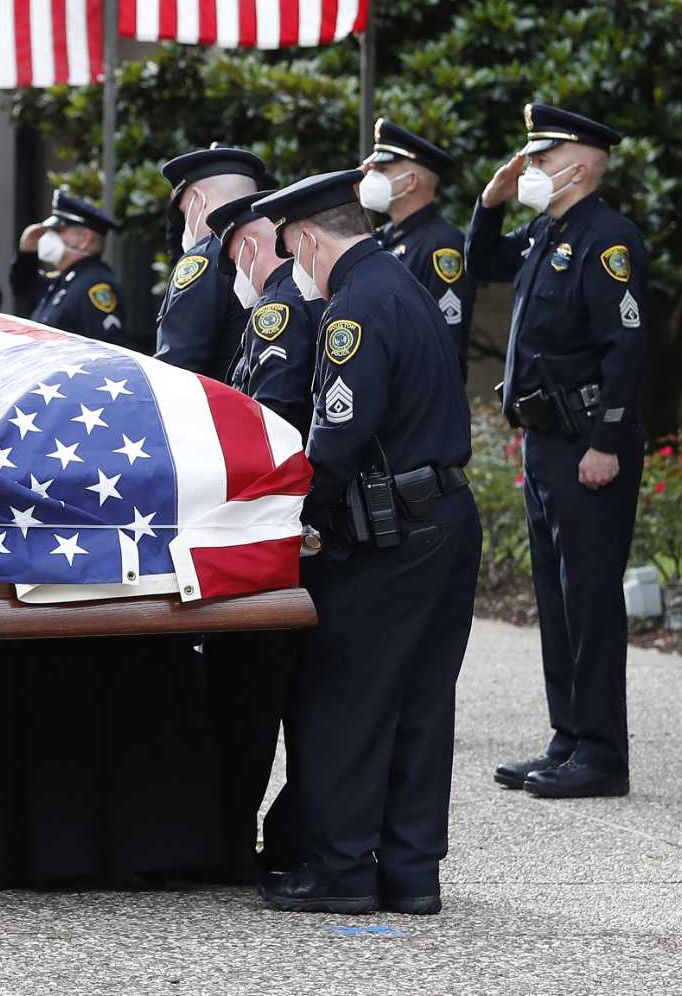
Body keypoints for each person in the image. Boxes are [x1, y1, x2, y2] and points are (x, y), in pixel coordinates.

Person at [252, 169, 480, 916]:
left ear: (308, 241)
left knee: (347, 700)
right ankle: (411, 873)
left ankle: (342, 869)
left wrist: (300, 517)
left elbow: (338, 435)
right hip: (439, 517)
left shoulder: (353, 307)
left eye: (291, 252)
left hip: (388, 535)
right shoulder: (399, 284)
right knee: (420, 703)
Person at [466, 104, 648, 800]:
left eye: (541, 159)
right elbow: (481, 263)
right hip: (545, 442)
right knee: (557, 593)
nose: (529, 168)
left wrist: (606, 441)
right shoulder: (547, 232)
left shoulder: (607, 240)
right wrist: (490, 203)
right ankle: (568, 736)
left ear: (579, 166)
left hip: (585, 444)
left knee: (591, 598)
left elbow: (626, 350)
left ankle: (601, 753)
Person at [201, 189, 323, 879]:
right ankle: (235, 837)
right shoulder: (286, 305)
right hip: (275, 525)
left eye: (230, 260)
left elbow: (269, 424)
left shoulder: (279, 310)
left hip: (266, 530)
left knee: (250, 694)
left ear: (247, 247)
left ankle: (232, 842)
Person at [358, 120, 473, 376]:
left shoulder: (441, 246)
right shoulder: (385, 237)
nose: (369, 177)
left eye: (382, 170)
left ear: (410, 181)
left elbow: (444, 343)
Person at [155, 143, 267, 379]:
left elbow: (178, 363)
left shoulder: (204, 259)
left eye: (184, 212)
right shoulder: (280, 250)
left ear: (198, 199)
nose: (185, 223)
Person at [10, 189, 124, 344]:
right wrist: (27, 255)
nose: (48, 236)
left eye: (58, 230)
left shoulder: (95, 286)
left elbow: (104, 350)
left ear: (85, 239)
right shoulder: (66, 279)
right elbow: (25, 289)